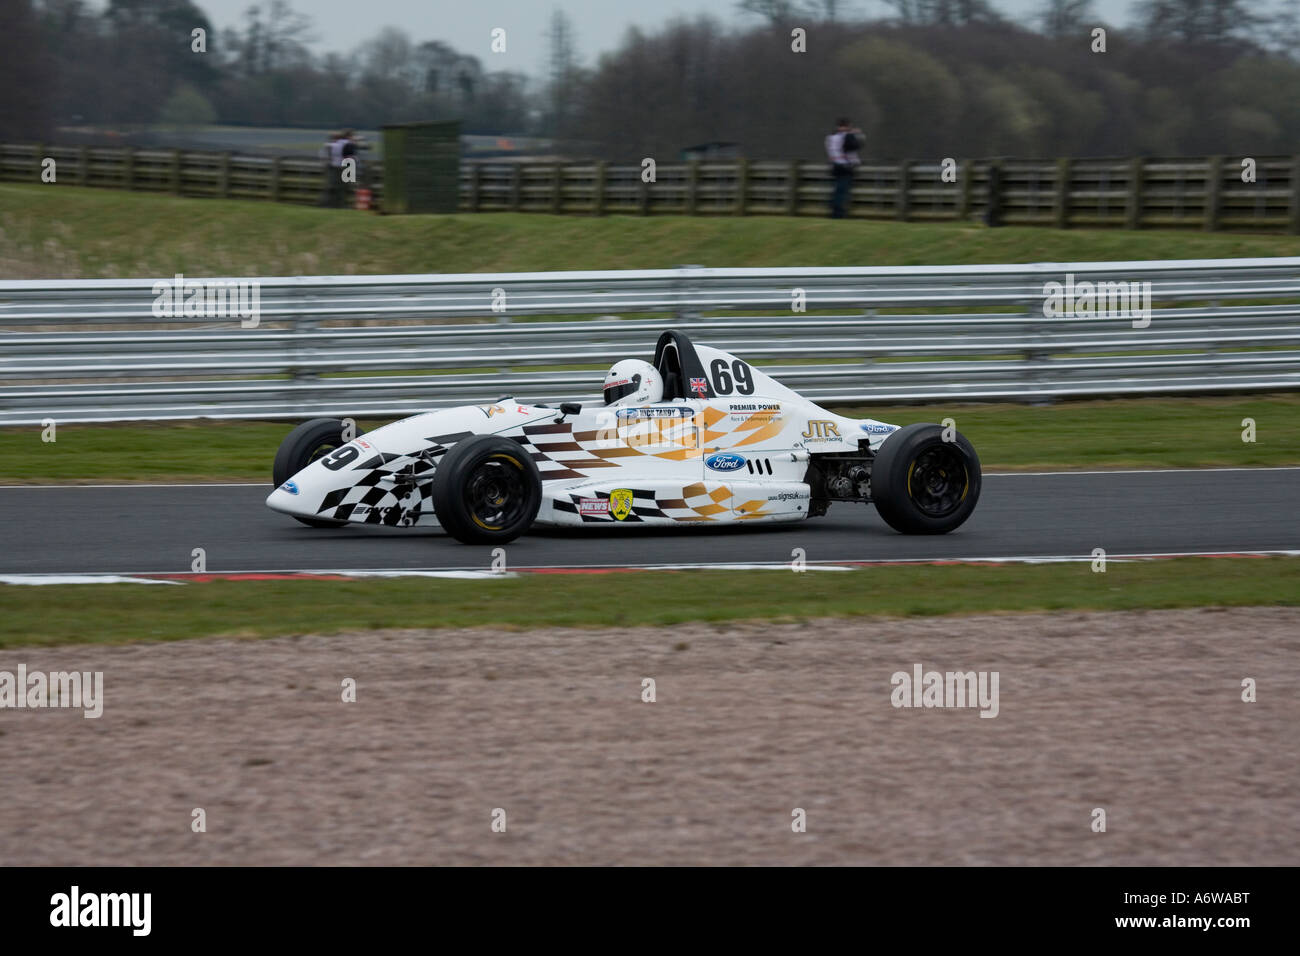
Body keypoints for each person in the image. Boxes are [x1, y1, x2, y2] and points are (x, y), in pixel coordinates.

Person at [825, 118, 861, 219]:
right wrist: (854, 135)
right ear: (847, 126)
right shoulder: (847, 136)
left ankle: (834, 208)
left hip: (835, 165)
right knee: (842, 191)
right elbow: (854, 147)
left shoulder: (831, 137)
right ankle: (837, 213)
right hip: (845, 166)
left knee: (837, 190)